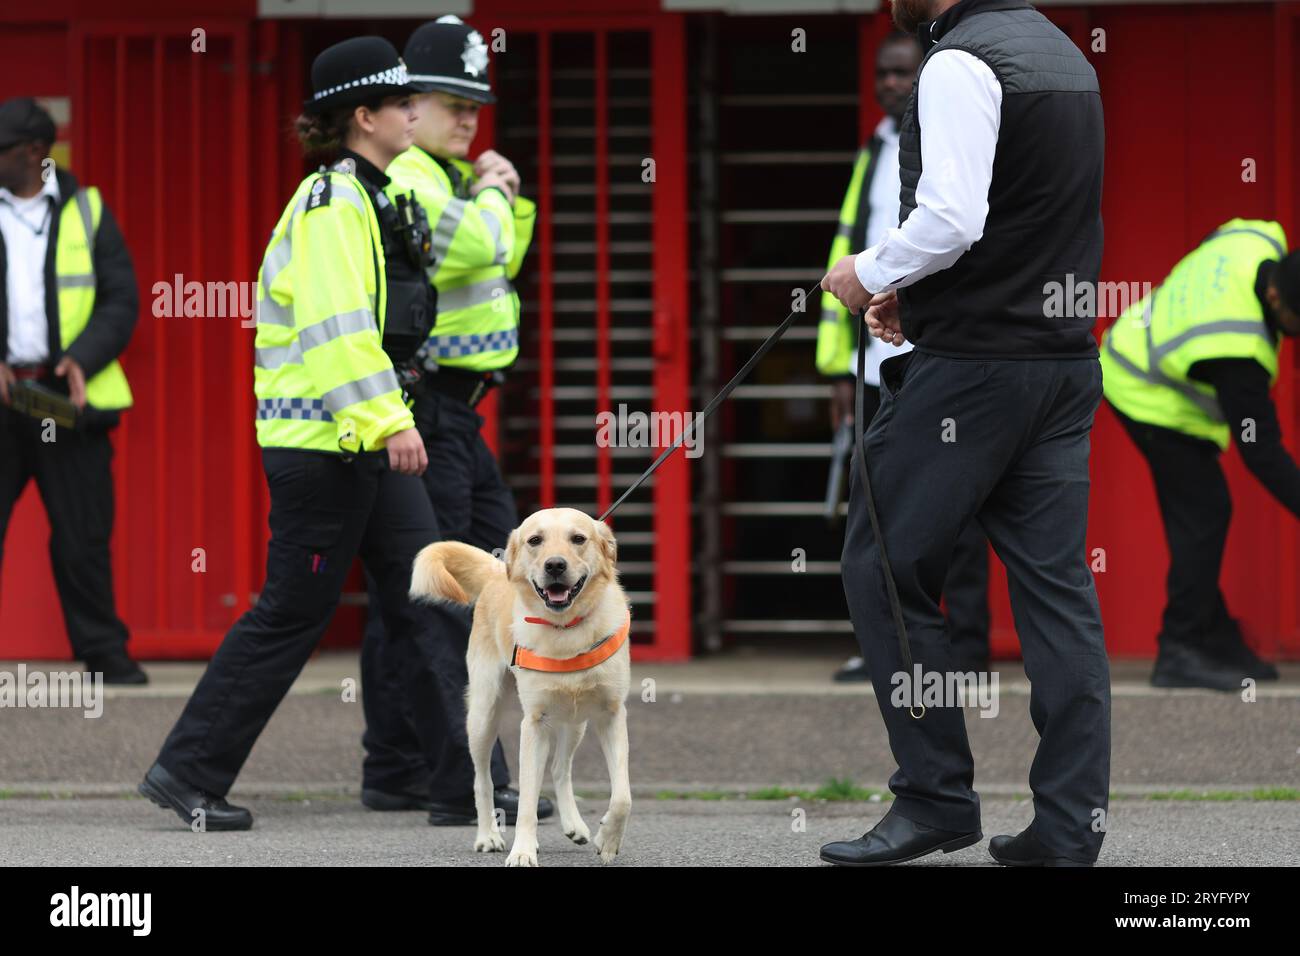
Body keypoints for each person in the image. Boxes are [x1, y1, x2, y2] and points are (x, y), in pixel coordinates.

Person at [139, 36, 508, 831]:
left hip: (361, 445)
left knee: (434, 600)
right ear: (363, 116)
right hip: (327, 449)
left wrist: (385, 423)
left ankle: (467, 783)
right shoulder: (333, 202)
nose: (419, 110)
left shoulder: (372, 197)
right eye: (402, 101)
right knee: (291, 612)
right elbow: (335, 330)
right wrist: (388, 421)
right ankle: (190, 771)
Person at [819, 0, 1109, 867]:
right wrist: (926, 295)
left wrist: (866, 272)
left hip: (974, 375)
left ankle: (936, 797)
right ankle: (1067, 828)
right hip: (1059, 366)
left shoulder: (957, 61)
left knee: (881, 566)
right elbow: (1031, 214)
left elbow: (952, 218)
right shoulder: (1067, 57)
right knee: (1057, 594)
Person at [357, 15, 550, 827]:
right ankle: (457, 779)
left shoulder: (452, 177)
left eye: (476, 103)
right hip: (429, 410)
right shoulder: (414, 175)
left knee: (434, 591)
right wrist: (497, 195)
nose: (469, 118)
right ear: (410, 105)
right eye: (449, 101)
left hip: (458, 417)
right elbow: (475, 250)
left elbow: (503, 253)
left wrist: (498, 204)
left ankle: (396, 765)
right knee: (449, 595)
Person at [817, 31, 991, 683]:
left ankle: (966, 650)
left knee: (959, 500)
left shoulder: (948, 136)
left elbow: (951, 234)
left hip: (938, 349)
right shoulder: (875, 148)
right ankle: (887, 647)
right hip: (872, 356)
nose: (891, 84)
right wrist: (838, 365)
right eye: (882, 74)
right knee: (878, 506)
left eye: (902, 73)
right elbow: (850, 249)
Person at [1101, 220, 1300, 691]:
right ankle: (1181, 646)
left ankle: (1211, 633)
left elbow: (1214, 243)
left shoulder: (1256, 238)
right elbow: (1262, 454)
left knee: (1206, 509)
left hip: (1136, 343)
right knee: (1206, 510)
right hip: (1138, 386)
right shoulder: (1237, 345)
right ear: (1275, 300)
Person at [0, 96, 144, 685]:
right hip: (2, 399)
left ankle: (104, 656)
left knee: (82, 537)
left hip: (65, 402)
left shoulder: (86, 211)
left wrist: (81, 358)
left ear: (36, 152)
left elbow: (122, 299)